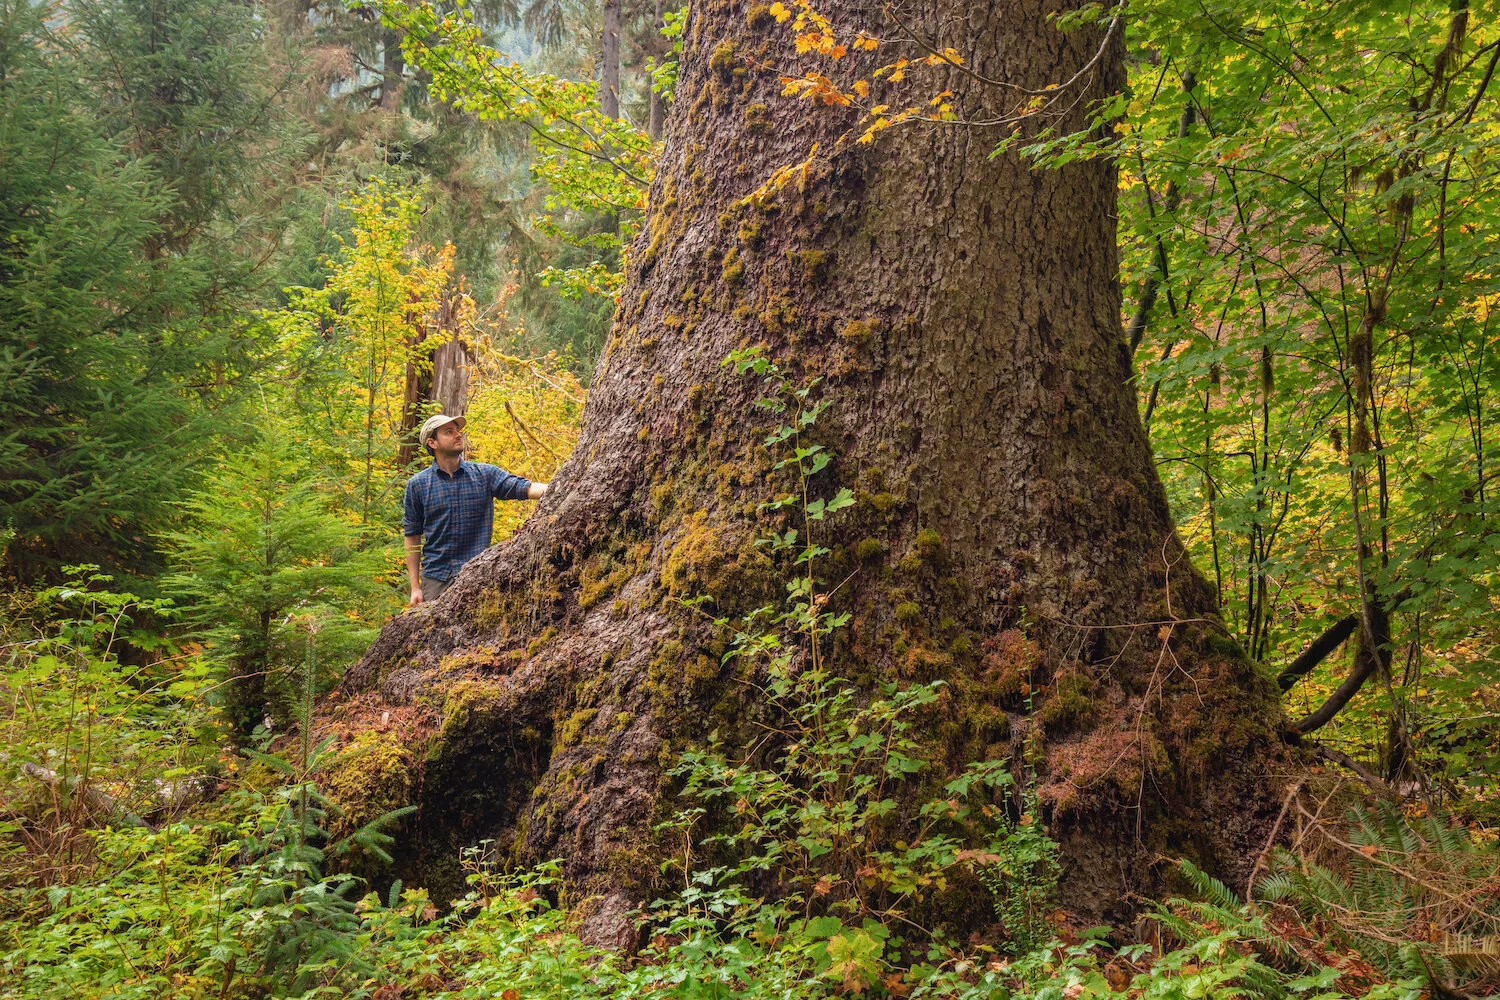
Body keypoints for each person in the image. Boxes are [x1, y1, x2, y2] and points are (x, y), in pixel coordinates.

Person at [403, 413, 549, 605]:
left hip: (479, 575)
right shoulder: (417, 485)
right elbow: (412, 536)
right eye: (449, 432)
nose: (458, 435)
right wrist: (415, 587)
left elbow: (524, 487)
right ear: (432, 443)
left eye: (458, 431)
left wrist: (564, 485)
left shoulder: (484, 474)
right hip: (437, 579)